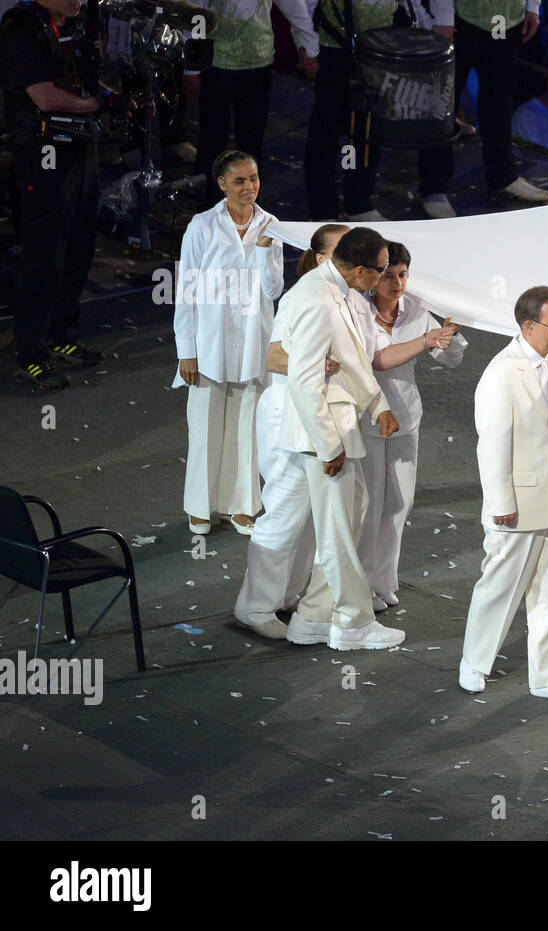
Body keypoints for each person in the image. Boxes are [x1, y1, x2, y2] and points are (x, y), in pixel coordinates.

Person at [458, 285, 548, 703]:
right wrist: (500, 503)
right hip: (518, 505)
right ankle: (475, 661)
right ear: (528, 325)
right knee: (501, 585)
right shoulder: (502, 373)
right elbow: (492, 443)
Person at [277, 227, 406, 651]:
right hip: (324, 433)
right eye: (381, 271)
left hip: (341, 422)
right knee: (338, 531)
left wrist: (377, 405)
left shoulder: (340, 292)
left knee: (353, 514)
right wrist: (328, 446)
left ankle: (312, 617)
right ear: (358, 269)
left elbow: (350, 357)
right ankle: (352, 623)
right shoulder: (315, 298)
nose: (385, 278)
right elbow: (303, 379)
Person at [234, 223, 348, 639]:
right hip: (288, 419)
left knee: (308, 519)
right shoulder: (305, 295)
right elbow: (274, 356)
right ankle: (255, 607)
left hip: (315, 419)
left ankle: (286, 597)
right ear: (320, 258)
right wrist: (315, 363)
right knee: (282, 513)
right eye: (342, 249)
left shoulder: (343, 297)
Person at [174, 150, 284, 537]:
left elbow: (273, 289)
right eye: (239, 181)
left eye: (253, 178)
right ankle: (201, 507)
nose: (249, 187)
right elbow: (185, 291)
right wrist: (185, 350)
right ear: (221, 184)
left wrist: (265, 250)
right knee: (204, 427)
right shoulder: (202, 227)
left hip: (254, 342)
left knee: (247, 428)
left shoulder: (271, 224)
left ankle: (243, 506)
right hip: (209, 345)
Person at [355, 240, 466, 611]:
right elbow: (374, 360)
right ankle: (359, 584)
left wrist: (447, 339)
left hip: (405, 416)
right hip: (366, 417)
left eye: (402, 274)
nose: (396, 282)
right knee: (368, 505)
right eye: (388, 275)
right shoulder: (357, 309)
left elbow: (450, 357)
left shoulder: (416, 310)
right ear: (373, 277)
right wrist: (426, 340)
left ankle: (383, 581)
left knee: (399, 503)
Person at [0, 0, 104, 389]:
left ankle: (63, 336)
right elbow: (44, 97)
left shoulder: (78, 24)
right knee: (43, 250)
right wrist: (93, 104)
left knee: (79, 240)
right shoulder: (21, 27)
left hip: (79, 146)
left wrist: (107, 95)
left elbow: (86, 79)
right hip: (42, 150)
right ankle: (31, 352)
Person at [304, 0, 456, 221]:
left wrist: (430, 26)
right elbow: (304, 4)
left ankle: (358, 202)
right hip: (334, 47)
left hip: (379, 47)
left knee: (368, 125)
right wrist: (307, 45)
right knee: (327, 127)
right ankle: (322, 208)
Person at [420, 0, 548, 219]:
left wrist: (532, 6)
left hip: (509, 16)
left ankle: (503, 176)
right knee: (444, 98)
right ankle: (434, 187)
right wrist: (443, 16)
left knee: (499, 96)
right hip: (461, 16)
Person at [189, 0, 321, 204]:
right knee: (212, 139)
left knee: (251, 140)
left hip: (258, 62)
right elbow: (195, 11)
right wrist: (192, 67)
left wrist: (307, 45)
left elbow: (294, 6)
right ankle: (207, 206)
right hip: (216, 62)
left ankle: (246, 206)